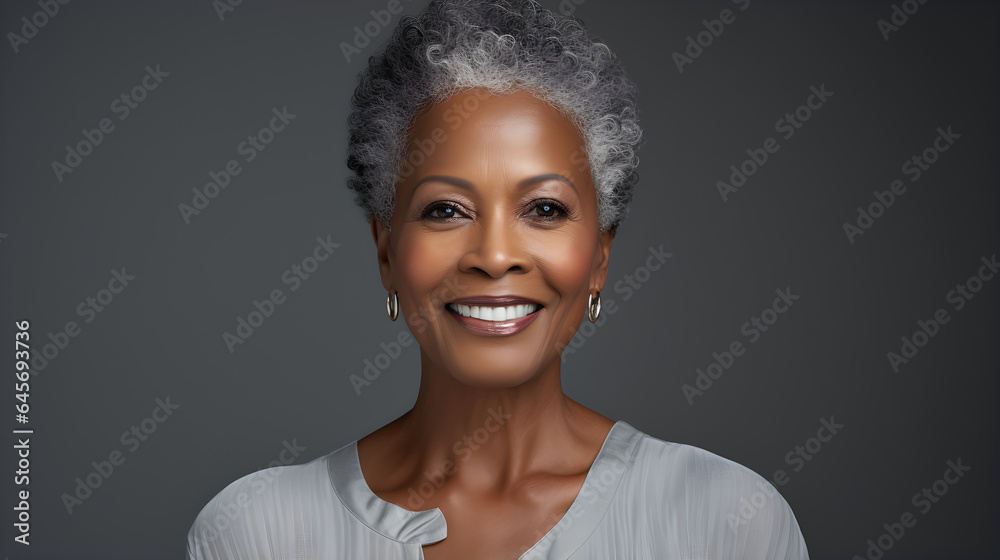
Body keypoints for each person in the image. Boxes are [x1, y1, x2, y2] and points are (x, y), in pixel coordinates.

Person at [185, 1, 810, 558]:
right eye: (445, 211)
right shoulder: (256, 534)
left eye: (543, 209)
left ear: (599, 258)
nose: (494, 255)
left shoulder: (728, 524)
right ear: (386, 253)